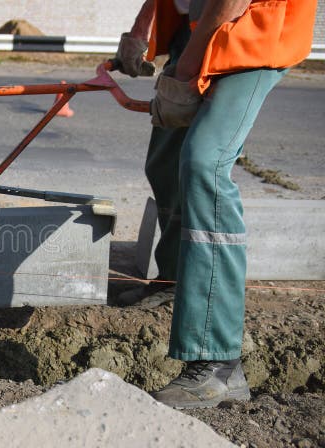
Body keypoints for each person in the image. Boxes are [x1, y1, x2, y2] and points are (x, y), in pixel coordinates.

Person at [113, 0, 315, 408]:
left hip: (252, 36)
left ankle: (219, 363)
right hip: (202, 29)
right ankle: (173, 278)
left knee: (206, 163)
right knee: (167, 160)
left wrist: (186, 68)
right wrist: (141, 33)